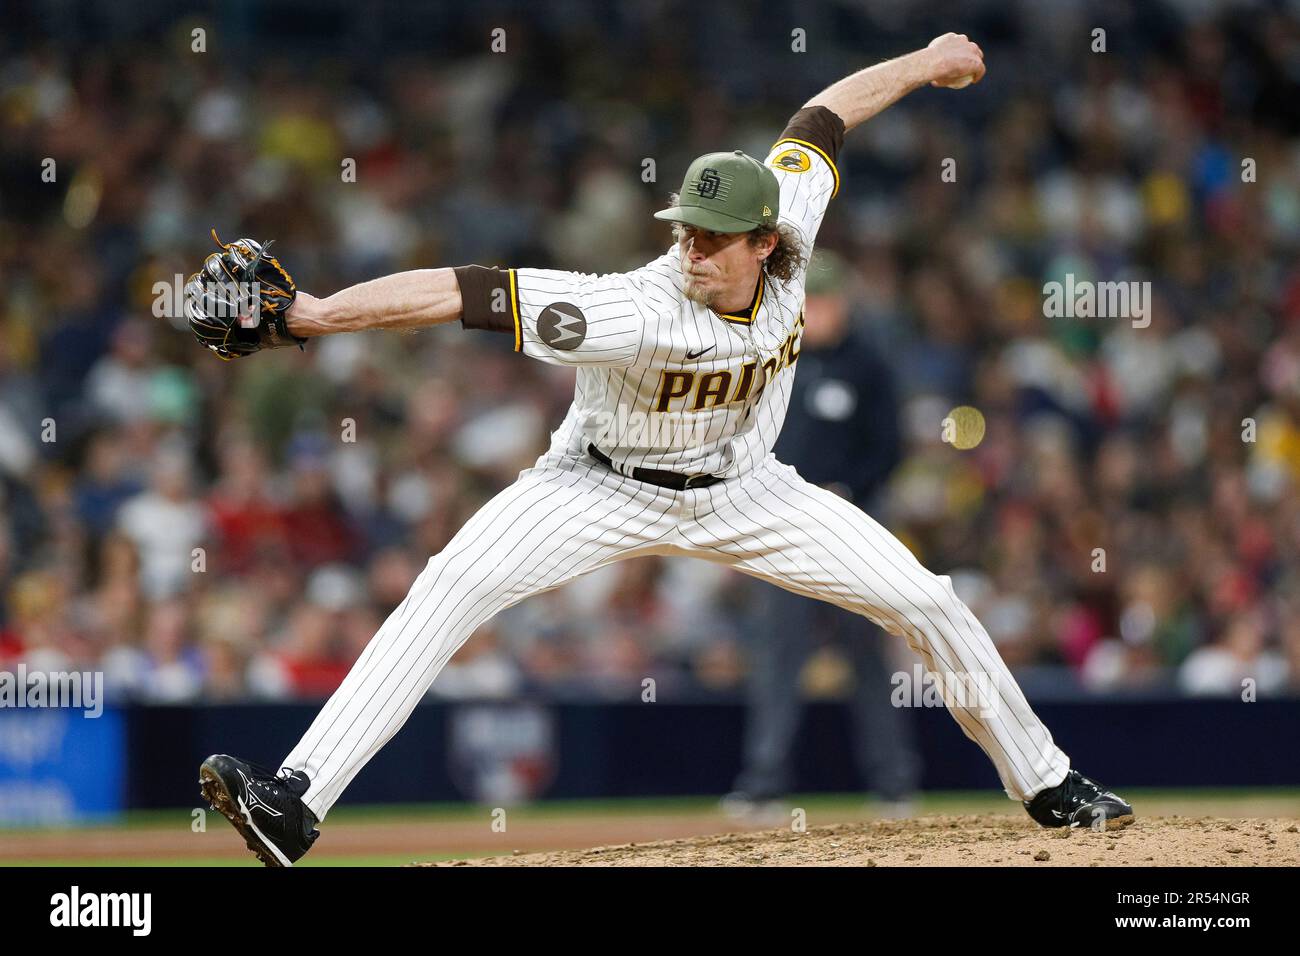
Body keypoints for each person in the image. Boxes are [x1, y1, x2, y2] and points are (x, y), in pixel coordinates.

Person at [191, 34, 1134, 866]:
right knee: (450, 586)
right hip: (598, 485)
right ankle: (297, 799)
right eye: (685, 227)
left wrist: (927, 65)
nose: (691, 247)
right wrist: (315, 313)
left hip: (748, 490)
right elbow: (464, 291)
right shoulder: (633, 308)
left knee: (929, 601)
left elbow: (829, 112)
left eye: (715, 237)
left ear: (767, 241)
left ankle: (1050, 785)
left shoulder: (792, 214)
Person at [723, 250, 921, 821]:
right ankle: (763, 783)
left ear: (845, 304)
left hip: (853, 530)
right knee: (778, 656)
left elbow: (889, 447)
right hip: (781, 530)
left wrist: (848, 489)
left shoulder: (869, 366)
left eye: (827, 302)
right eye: (810, 302)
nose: (817, 312)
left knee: (867, 655)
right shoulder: (775, 360)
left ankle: (894, 783)